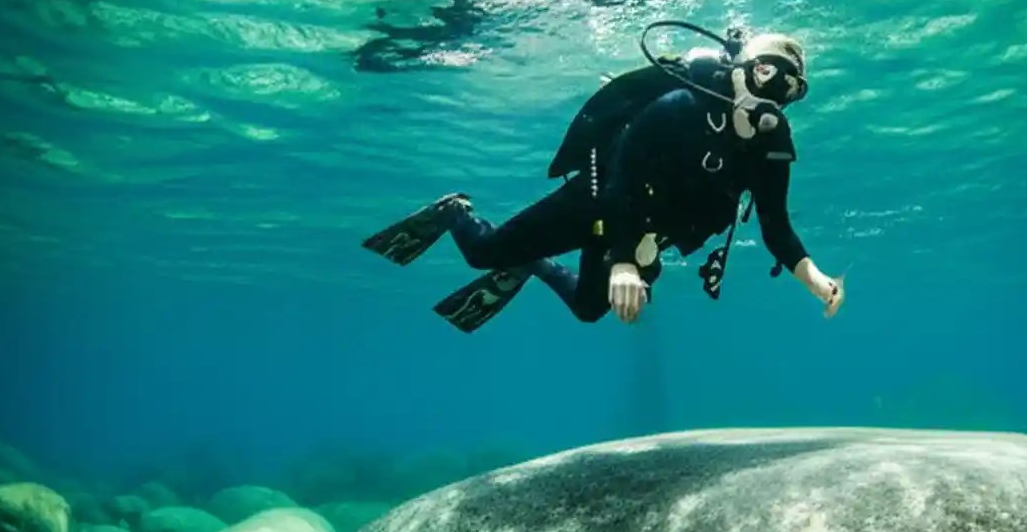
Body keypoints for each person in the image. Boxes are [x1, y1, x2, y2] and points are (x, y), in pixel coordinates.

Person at [361, 21, 845, 332]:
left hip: (646, 232)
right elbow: (622, 185)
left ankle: (536, 265)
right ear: (740, 71)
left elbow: (775, 225)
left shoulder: (771, 145)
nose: (775, 94)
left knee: (591, 310)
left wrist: (817, 280)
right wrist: (621, 262)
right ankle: (456, 213)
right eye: (766, 74)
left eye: (790, 87)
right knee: (481, 255)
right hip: (596, 200)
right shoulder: (679, 108)